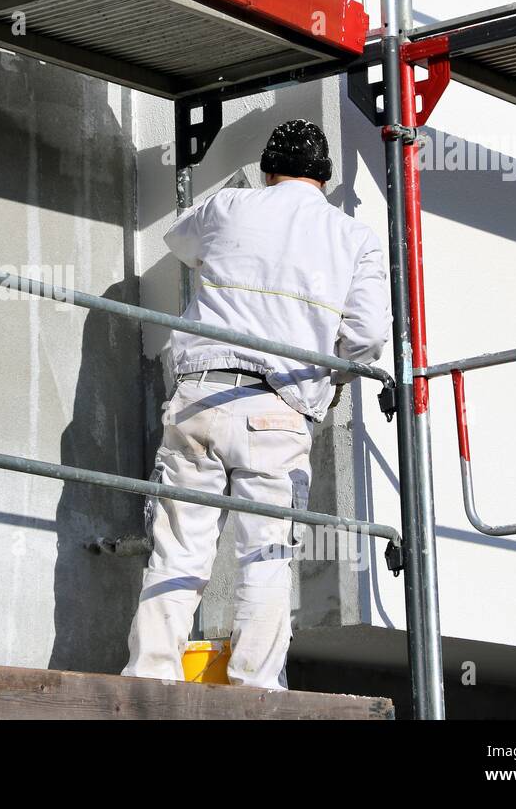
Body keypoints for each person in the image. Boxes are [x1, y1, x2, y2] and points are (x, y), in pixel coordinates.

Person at [121, 119, 391, 690]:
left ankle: (150, 678)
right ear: (323, 178)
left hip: (202, 396)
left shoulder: (228, 207)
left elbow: (180, 243)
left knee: (178, 549)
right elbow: (367, 338)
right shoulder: (353, 237)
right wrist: (323, 363)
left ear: (270, 171)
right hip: (280, 406)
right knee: (265, 556)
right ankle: (255, 688)